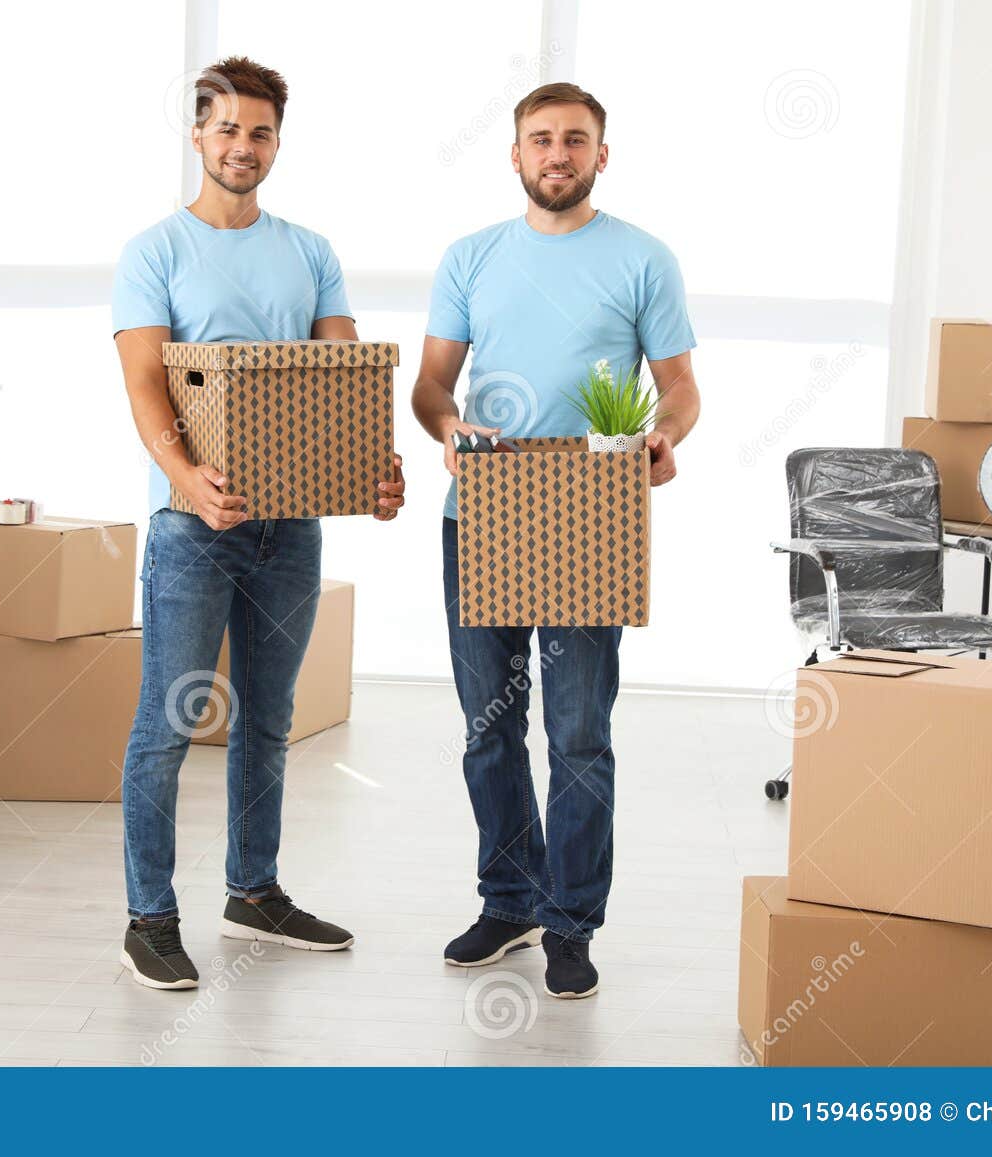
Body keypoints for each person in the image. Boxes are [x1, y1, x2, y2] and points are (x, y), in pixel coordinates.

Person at [110, 56, 405, 990]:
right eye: (228, 129)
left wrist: (375, 469)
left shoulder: (309, 250)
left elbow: (344, 382)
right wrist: (190, 480)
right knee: (171, 717)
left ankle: (254, 891)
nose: (244, 146)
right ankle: (149, 917)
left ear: (279, 141)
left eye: (261, 132)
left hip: (290, 527)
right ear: (197, 135)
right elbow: (145, 384)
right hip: (192, 527)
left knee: (268, 720)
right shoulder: (154, 251)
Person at [410, 81, 700, 999]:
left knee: (577, 731)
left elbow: (682, 389)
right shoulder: (471, 257)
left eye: (576, 140)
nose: (558, 154)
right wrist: (451, 433)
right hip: (483, 515)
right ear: (516, 155)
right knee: (487, 730)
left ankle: (572, 919)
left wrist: (664, 437)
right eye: (541, 140)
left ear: (601, 155)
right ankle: (510, 899)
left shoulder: (643, 259)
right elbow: (430, 389)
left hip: (589, 517)